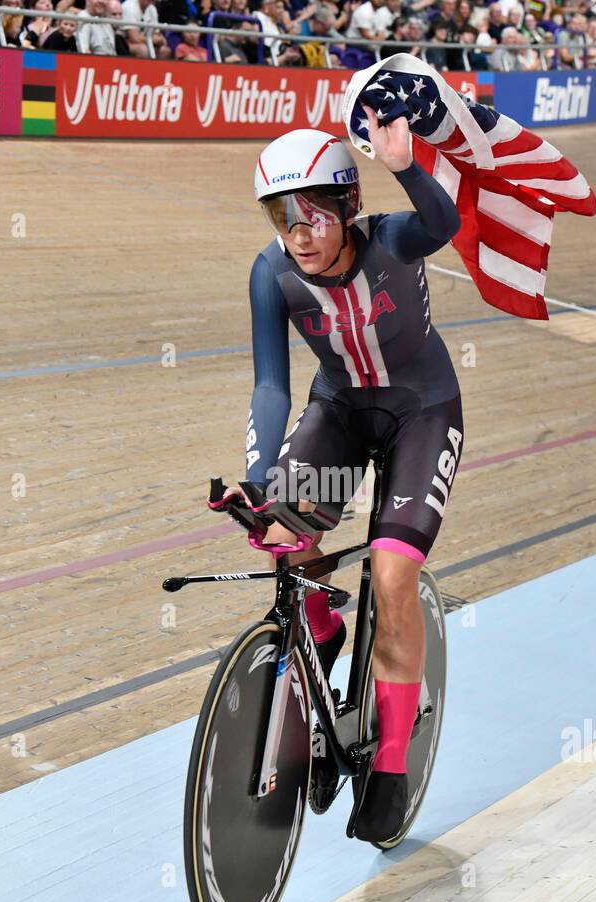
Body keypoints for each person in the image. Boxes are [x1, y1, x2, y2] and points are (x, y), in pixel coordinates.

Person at [235, 122, 462, 842]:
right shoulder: (270, 274)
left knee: (392, 576)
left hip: (419, 415)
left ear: (348, 202)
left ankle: (390, 768)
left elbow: (444, 222)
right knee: (283, 535)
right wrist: (257, 475)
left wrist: (408, 165)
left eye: (312, 214)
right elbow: (272, 386)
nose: (297, 233)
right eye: (281, 217)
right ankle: (324, 634)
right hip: (339, 412)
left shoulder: (394, 239)